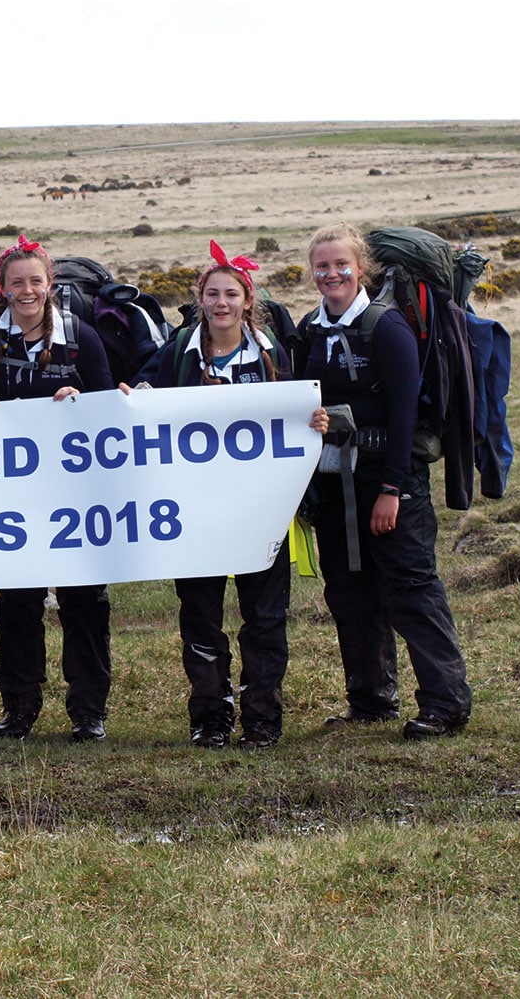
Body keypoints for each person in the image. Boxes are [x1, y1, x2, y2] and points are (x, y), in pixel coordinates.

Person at [125, 241, 329, 750]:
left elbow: (293, 413)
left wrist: (314, 422)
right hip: (194, 511)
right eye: (212, 294)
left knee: (265, 618)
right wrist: (131, 401)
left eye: (231, 294)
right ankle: (210, 717)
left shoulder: (271, 353)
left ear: (247, 299)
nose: (221, 303)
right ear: (200, 300)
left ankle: (262, 719)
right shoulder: (178, 353)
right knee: (200, 616)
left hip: (263, 509)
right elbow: (143, 402)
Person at [299, 221, 472, 740]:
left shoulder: (387, 327)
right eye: (322, 266)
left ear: (362, 268)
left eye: (341, 264)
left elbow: (403, 414)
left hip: (390, 480)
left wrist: (392, 490)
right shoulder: (309, 331)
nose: (332, 274)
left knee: (411, 589)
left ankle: (446, 705)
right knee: (348, 591)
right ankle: (371, 700)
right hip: (335, 481)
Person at [0, 236, 115, 742]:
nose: (27, 291)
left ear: (50, 285)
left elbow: (110, 408)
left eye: (35, 281)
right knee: (17, 603)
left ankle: (88, 710)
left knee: (83, 601)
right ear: (1, 288)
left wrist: (83, 399)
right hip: (12, 500)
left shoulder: (81, 337)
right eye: (16, 283)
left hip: (74, 496)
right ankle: (19, 706)